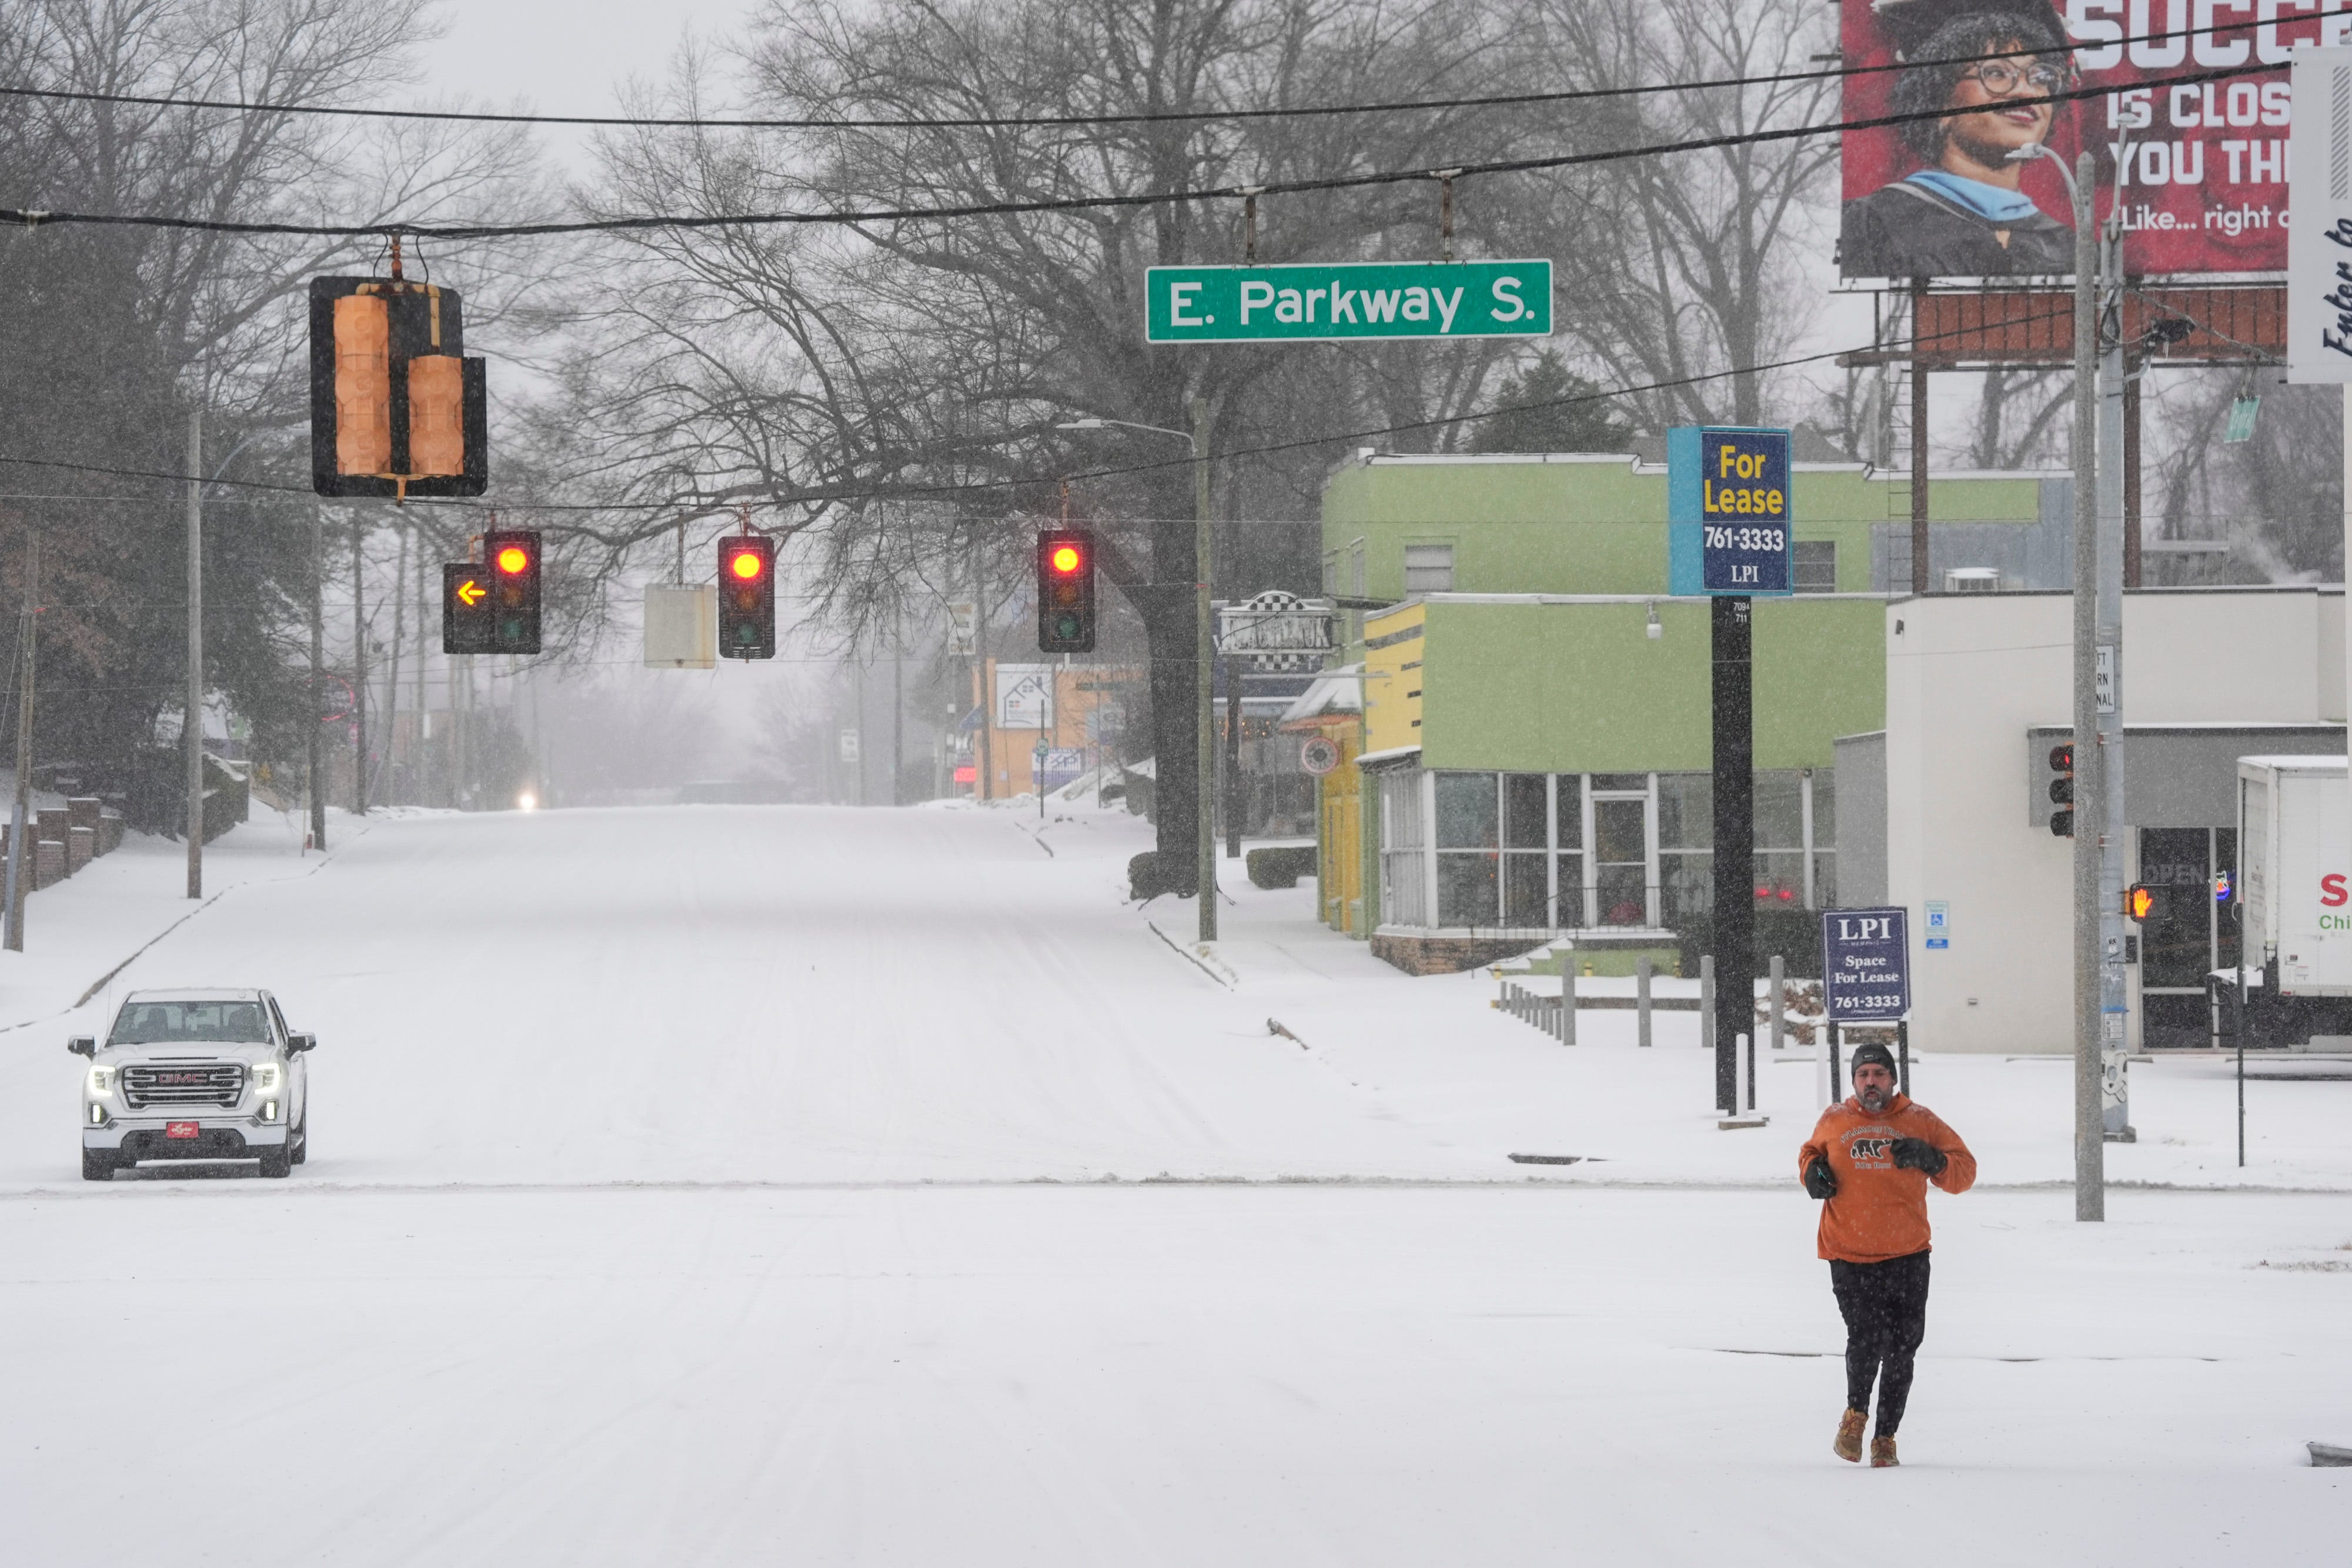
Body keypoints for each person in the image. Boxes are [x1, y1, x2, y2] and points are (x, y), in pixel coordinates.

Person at [1798, 1042, 1976, 1466]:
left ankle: (1885, 1437)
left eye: (1879, 1073)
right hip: (1849, 1251)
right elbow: (1810, 1152)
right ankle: (1855, 1416)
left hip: (1907, 1254)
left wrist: (1932, 1158)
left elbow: (1964, 1171)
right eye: (1864, 1074)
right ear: (1854, 1080)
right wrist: (1811, 1172)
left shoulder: (1920, 1120)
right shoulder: (1835, 1119)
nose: (1871, 1081)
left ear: (1893, 1079)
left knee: (1901, 1348)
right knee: (1865, 1337)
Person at [1839, 5, 2076, 279]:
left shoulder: (2068, 245)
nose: (2026, 91)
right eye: (1996, 73)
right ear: (1939, 103)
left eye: (2042, 77)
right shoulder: (1876, 221)